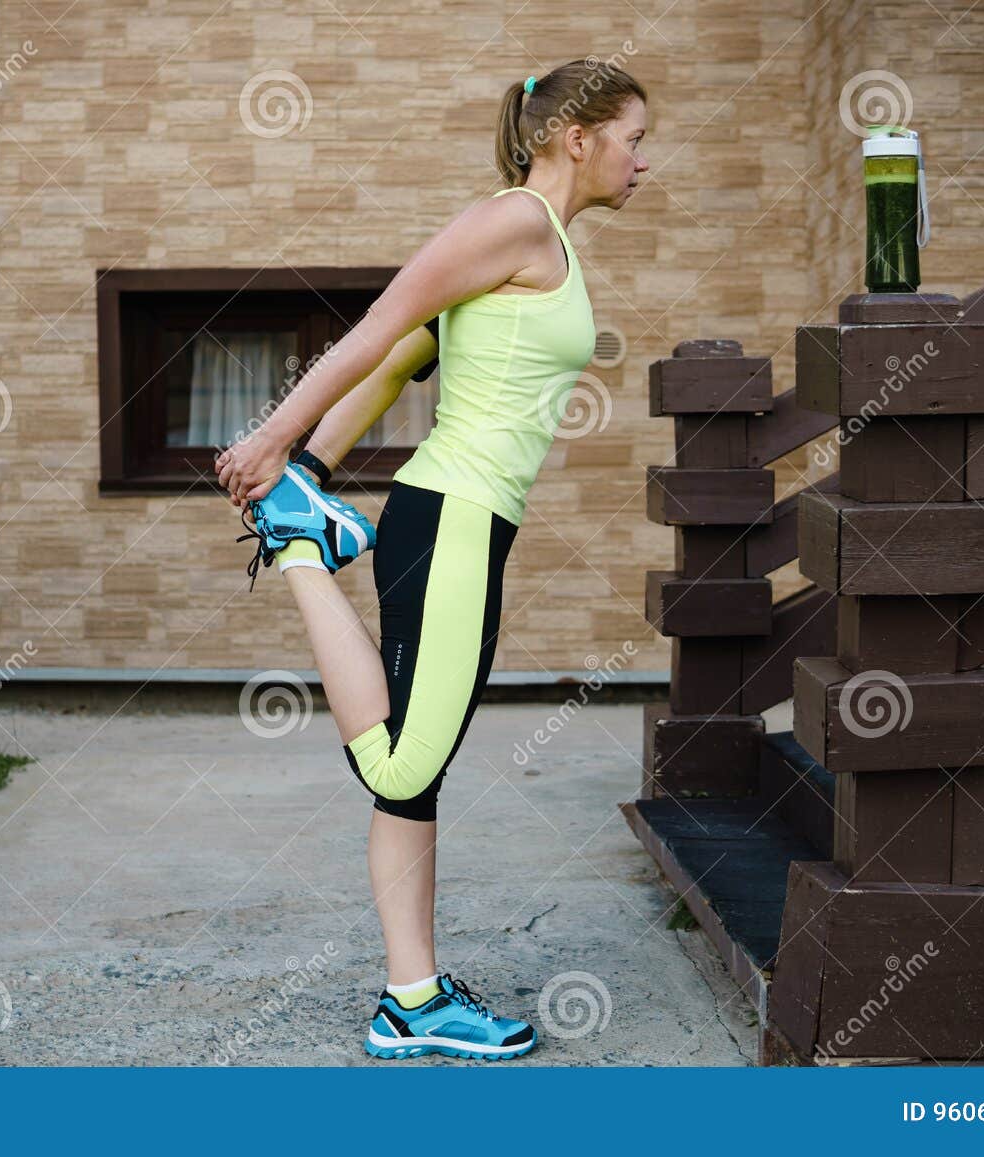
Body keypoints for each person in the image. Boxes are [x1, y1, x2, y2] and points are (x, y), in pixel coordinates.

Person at [215, 59, 648, 1060]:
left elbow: (413, 348)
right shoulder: (513, 224)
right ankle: (296, 550)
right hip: (448, 515)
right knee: (405, 759)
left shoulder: (549, 245)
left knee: (414, 774)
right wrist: (274, 449)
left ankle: (411, 997)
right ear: (575, 136)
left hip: (464, 521)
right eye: (632, 137)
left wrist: (316, 461)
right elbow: (377, 323)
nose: (642, 160)